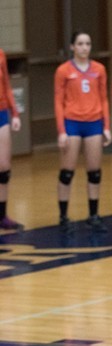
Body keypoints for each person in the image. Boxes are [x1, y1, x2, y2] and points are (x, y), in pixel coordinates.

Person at [54, 32, 112, 233]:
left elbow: (104, 98)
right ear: (72, 47)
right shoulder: (63, 70)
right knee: (67, 172)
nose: (84, 47)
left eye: (87, 44)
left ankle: (93, 215)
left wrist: (106, 126)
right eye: (80, 44)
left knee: (94, 172)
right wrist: (61, 130)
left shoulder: (99, 69)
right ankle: (63, 216)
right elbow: (58, 101)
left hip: (94, 122)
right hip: (72, 122)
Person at [0, 46, 23, 231]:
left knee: (4, 167)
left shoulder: (0, 54)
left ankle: (2, 215)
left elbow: (6, 85)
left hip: (1, 112)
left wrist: (14, 113)